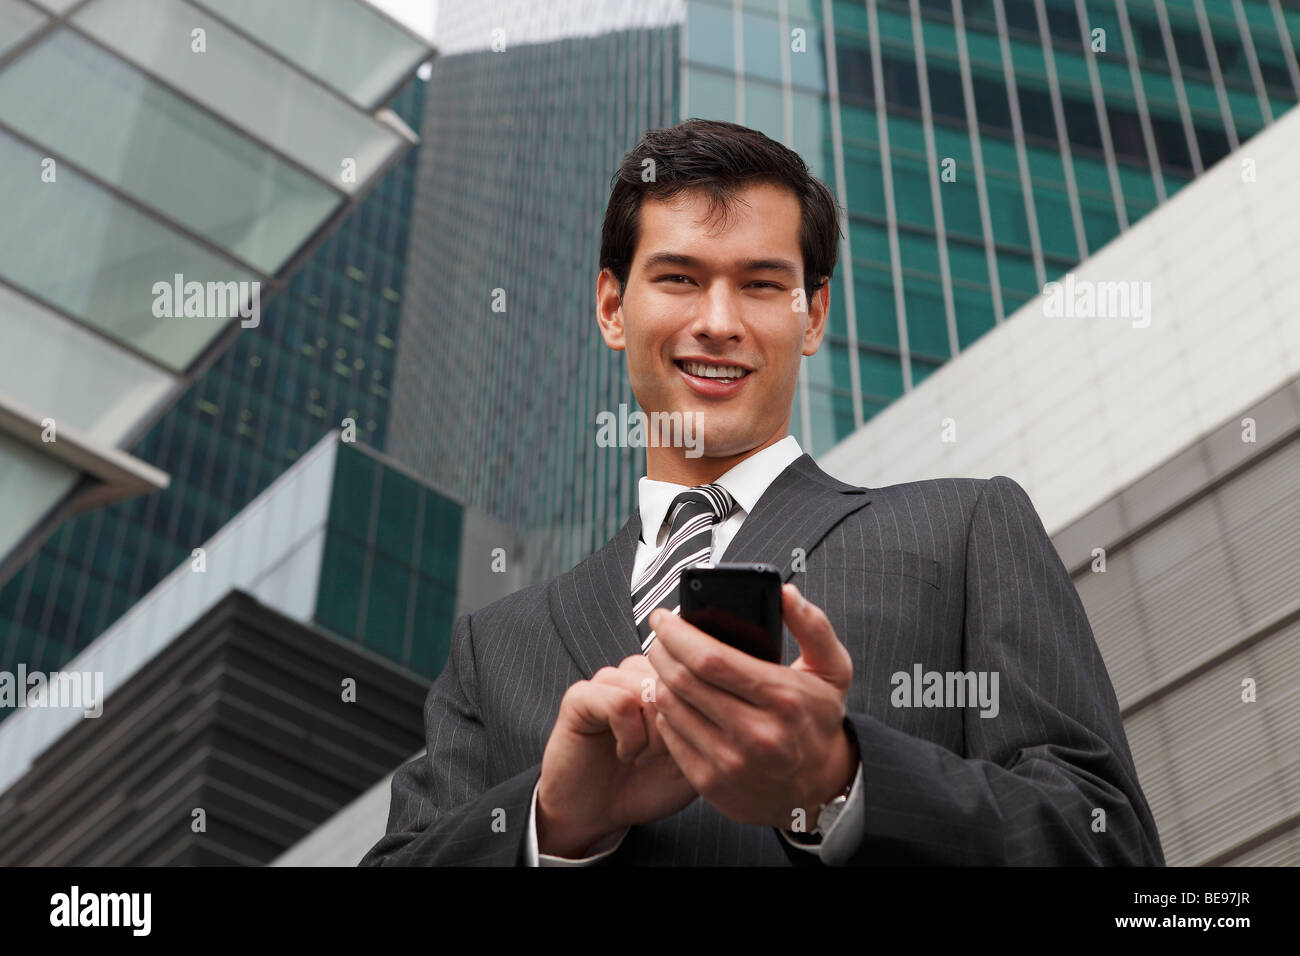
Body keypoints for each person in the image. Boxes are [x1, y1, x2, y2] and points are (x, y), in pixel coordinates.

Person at [360, 118, 1164, 866]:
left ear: (812, 316)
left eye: (759, 284)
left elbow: (1109, 838)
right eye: (679, 277)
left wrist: (843, 783)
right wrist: (553, 827)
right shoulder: (492, 649)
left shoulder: (963, 530)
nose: (717, 321)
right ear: (612, 307)